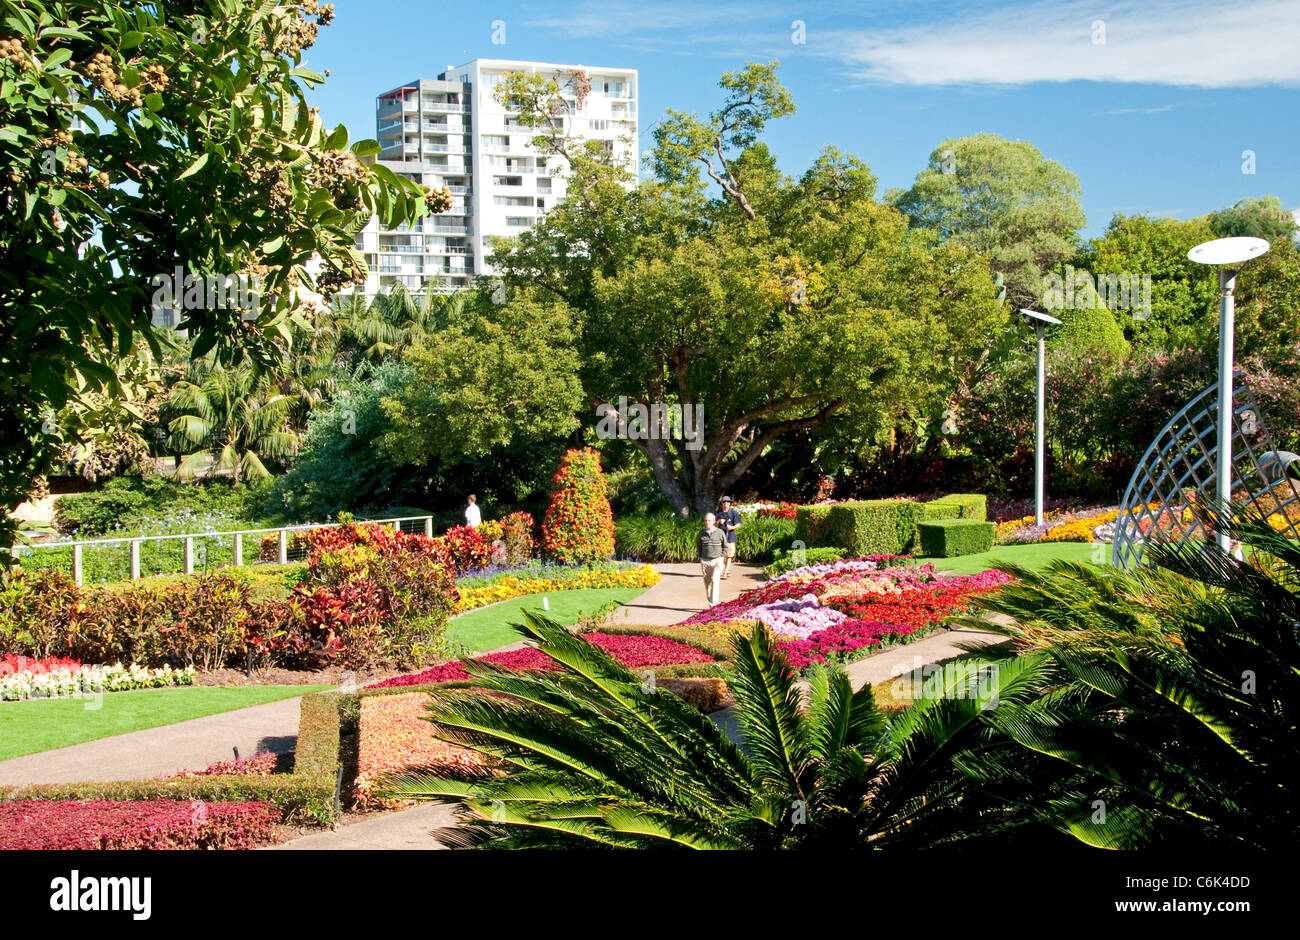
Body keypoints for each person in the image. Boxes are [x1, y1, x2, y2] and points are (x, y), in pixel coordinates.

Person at [696, 512, 728, 607]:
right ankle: (711, 604)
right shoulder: (701, 533)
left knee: (715, 579)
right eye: (706, 520)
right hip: (705, 561)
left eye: (709, 520)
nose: (707, 522)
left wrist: (722, 557)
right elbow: (699, 546)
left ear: (714, 521)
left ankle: (714, 605)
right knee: (707, 583)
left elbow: (725, 546)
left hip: (717, 560)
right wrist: (701, 557)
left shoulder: (720, 532)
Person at [716, 495, 742, 579]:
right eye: (724, 502)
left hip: (730, 536)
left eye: (728, 502)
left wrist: (732, 527)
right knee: (722, 556)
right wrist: (719, 521)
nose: (726, 503)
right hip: (721, 536)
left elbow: (738, 524)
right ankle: (727, 568)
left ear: (730, 503)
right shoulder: (718, 512)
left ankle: (725, 572)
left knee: (729, 555)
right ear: (721, 504)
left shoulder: (733, 512)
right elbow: (713, 523)